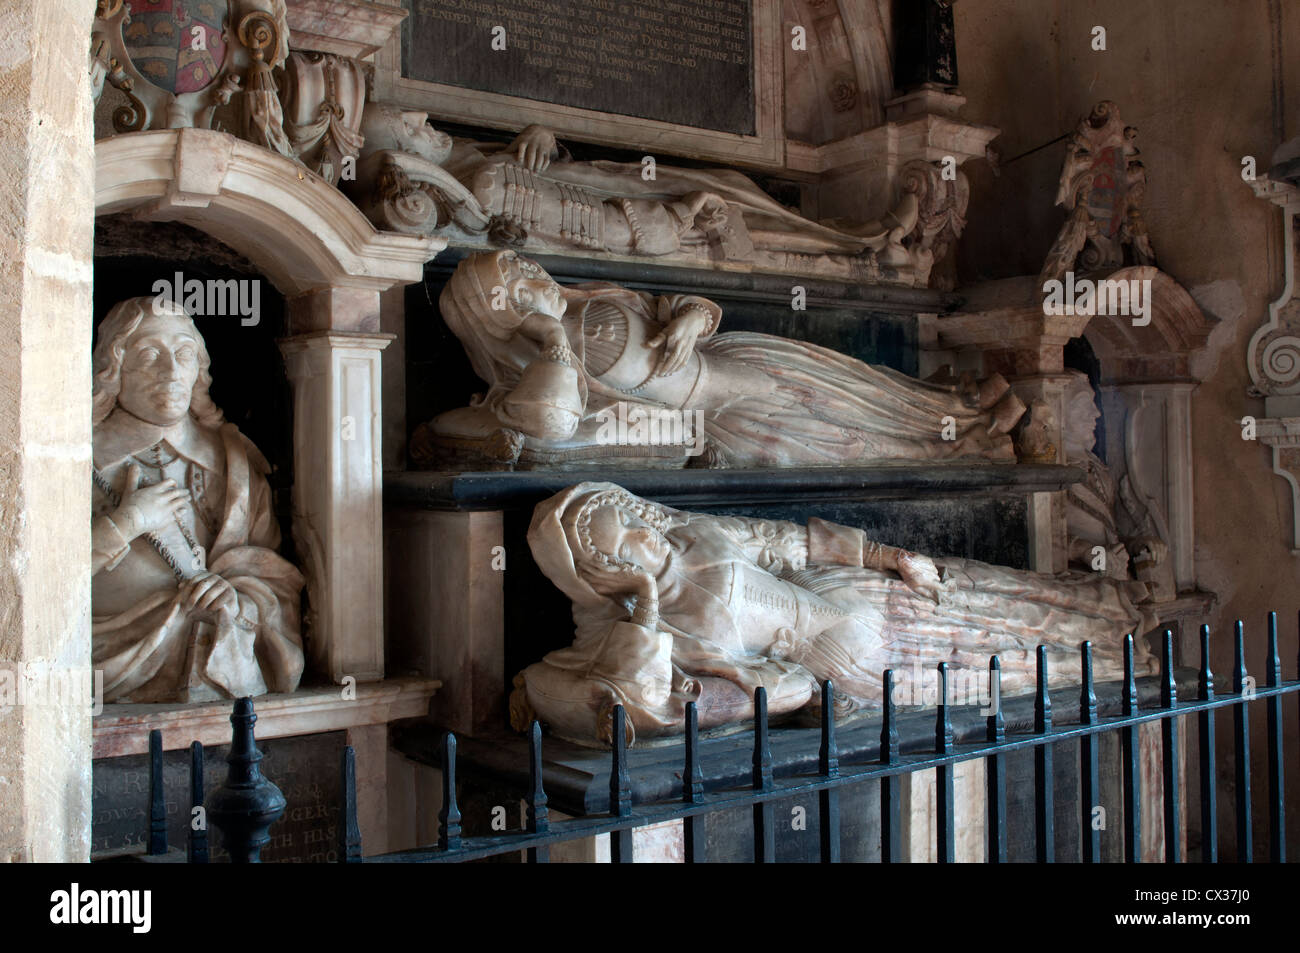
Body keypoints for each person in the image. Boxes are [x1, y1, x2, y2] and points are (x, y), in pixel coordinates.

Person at [511, 482, 1159, 747]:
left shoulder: (694, 536)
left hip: (849, 588)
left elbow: (788, 542)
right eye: (624, 543)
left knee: (991, 595)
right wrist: (647, 609)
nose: (642, 535)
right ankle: (1114, 661)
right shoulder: (657, 640)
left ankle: (1117, 608)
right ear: (602, 572)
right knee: (996, 661)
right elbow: (704, 704)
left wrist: (887, 554)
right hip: (849, 661)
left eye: (630, 520)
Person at [428, 250, 1025, 468]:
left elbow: (673, 305)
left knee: (858, 390)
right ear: (496, 314)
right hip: (722, 421)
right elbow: (552, 422)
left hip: (736, 358)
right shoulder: (537, 375)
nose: (535, 274)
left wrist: (691, 316)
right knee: (848, 445)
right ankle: (959, 449)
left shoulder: (595, 300)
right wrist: (549, 335)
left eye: (526, 264)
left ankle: (958, 405)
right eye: (518, 281)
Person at [91, 297, 304, 702]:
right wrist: (126, 524)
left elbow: (274, 578)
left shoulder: (235, 462)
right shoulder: (69, 459)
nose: (171, 371)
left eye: (184, 353)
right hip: (104, 659)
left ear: (199, 369)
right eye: (149, 353)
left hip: (218, 644)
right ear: (113, 368)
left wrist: (238, 601)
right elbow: (37, 581)